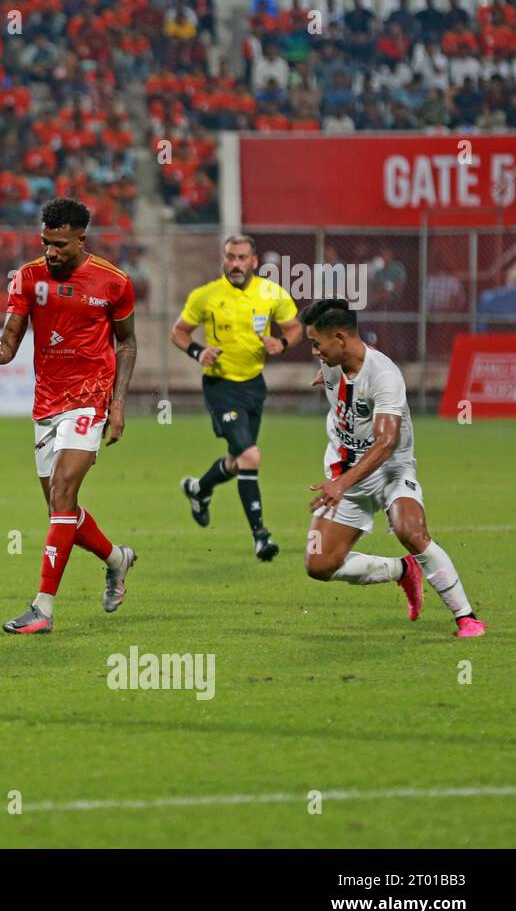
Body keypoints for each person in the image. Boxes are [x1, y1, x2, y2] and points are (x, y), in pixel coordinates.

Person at [0, 198, 138, 634]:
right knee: (58, 506)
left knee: (65, 489)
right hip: (47, 401)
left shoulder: (114, 282)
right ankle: (117, 559)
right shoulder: (28, 277)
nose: (51, 251)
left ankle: (43, 607)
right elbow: (12, 337)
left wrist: (117, 403)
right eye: (46, 242)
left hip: (91, 397)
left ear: (81, 239)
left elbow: (127, 343)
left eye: (60, 244)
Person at [301, 299, 486, 638]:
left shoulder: (385, 376)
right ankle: (402, 570)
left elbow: (386, 443)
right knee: (318, 564)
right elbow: (341, 381)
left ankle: (466, 617)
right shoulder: (333, 362)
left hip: (390, 470)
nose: (314, 351)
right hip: (345, 470)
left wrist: (340, 486)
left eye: (316, 343)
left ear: (340, 338)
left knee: (410, 531)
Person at [172, 234, 302, 560]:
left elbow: (295, 328)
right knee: (251, 456)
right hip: (221, 387)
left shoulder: (272, 294)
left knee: (237, 460)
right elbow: (179, 331)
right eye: (230, 257)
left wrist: (282, 344)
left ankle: (199, 489)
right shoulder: (206, 296)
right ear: (223, 259)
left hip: (253, 386)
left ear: (254, 261)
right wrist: (198, 351)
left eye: (242, 258)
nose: (236, 264)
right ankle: (261, 536)